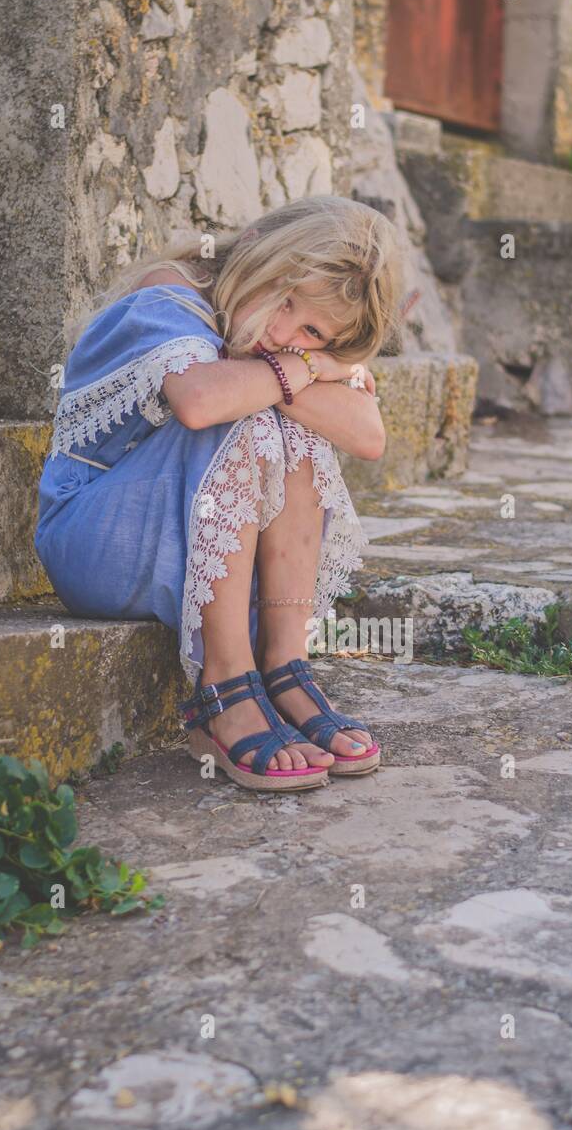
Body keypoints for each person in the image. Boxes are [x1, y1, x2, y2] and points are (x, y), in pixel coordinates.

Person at [35, 195, 404, 792]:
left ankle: (285, 665)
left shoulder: (276, 345)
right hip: (95, 539)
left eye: (311, 331)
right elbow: (199, 400)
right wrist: (309, 367)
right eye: (284, 299)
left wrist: (286, 374)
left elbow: (368, 434)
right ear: (257, 249)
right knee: (246, 415)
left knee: (287, 423)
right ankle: (224, 684)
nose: (284, 332)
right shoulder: (171, 295)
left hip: (196, 546)